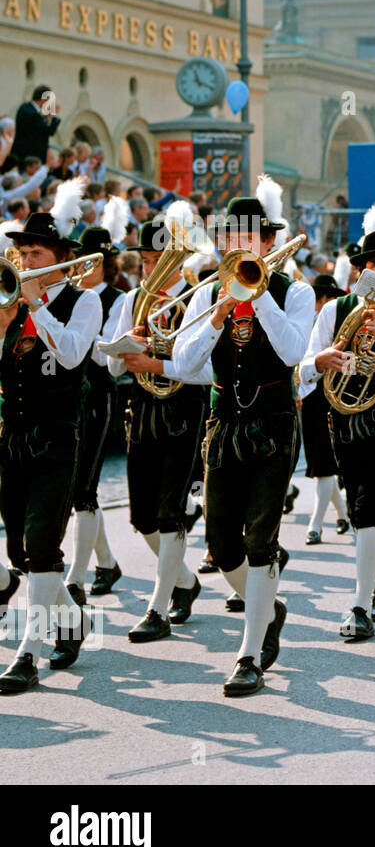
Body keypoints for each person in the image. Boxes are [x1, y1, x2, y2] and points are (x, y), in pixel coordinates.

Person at [171, 196, 312, 697]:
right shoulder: (207, 292)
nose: (237, 246)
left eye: (247, 238)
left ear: (269, 243)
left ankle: (248, 654)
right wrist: (217, 314)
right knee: (220, 546)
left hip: (273, 426)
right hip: (223, 423)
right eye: (230, 238)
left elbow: (296, 352)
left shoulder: (295, 292)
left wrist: (258, 293)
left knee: (258, 543)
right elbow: (185, 366)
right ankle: (268, 608)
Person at [300, 205, 375, 640]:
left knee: (367, 508)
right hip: (343, 418)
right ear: (369, 269)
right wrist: (323, 359)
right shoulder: (335, 310)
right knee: (359, 512)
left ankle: (359, 605)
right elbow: (307, 366)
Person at [103, 216, 214, 641]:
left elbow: (203, 365)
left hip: (184, 410)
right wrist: (128, 342)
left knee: (170, 515)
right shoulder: (133, 300)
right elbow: (112, 365)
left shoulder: (196, 296)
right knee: (142, 518)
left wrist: (159, 356)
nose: (151, 269)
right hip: (144, 410)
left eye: (159, 260)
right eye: (146, 260)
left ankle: (158, 606)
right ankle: (184, 580)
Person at [0, 211, 99, 691]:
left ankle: (28, 654)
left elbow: (72, 354)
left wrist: (36, 307)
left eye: (35, 254)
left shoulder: (84, 302)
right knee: (20, 551)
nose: (24, 261)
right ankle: (75, 621)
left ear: (62, 262)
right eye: (21, 254)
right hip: (13, 439)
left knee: (42, 547)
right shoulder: (11, 304)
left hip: (57, 438)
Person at [65, 219, 128, 601]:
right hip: (67, 397)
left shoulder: (118, 298)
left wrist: (83, 335)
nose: (81, 268)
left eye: (90, 261)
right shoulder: (69, 297)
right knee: (77, 488)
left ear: (106, 263)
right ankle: (106, 562)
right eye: (78, 261)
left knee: (84, 488)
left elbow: (108, 356)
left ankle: (75, 577)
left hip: (98, 396)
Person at [299, 274, 350, 546]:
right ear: (320, 299)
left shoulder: (338, 322)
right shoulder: (306, 321)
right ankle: (343, 515)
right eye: (328, 298)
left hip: (329, 393)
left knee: (324, 466)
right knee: (321, 463)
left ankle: (316, 524)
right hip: (310, 393)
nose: (332, 303)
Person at [11, 86, 61, 168]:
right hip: (29, 158)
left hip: (28, 156)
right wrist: (55, 115)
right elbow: (49, 131)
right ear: (45, 99)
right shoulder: (32, 113)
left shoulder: (26, 108)